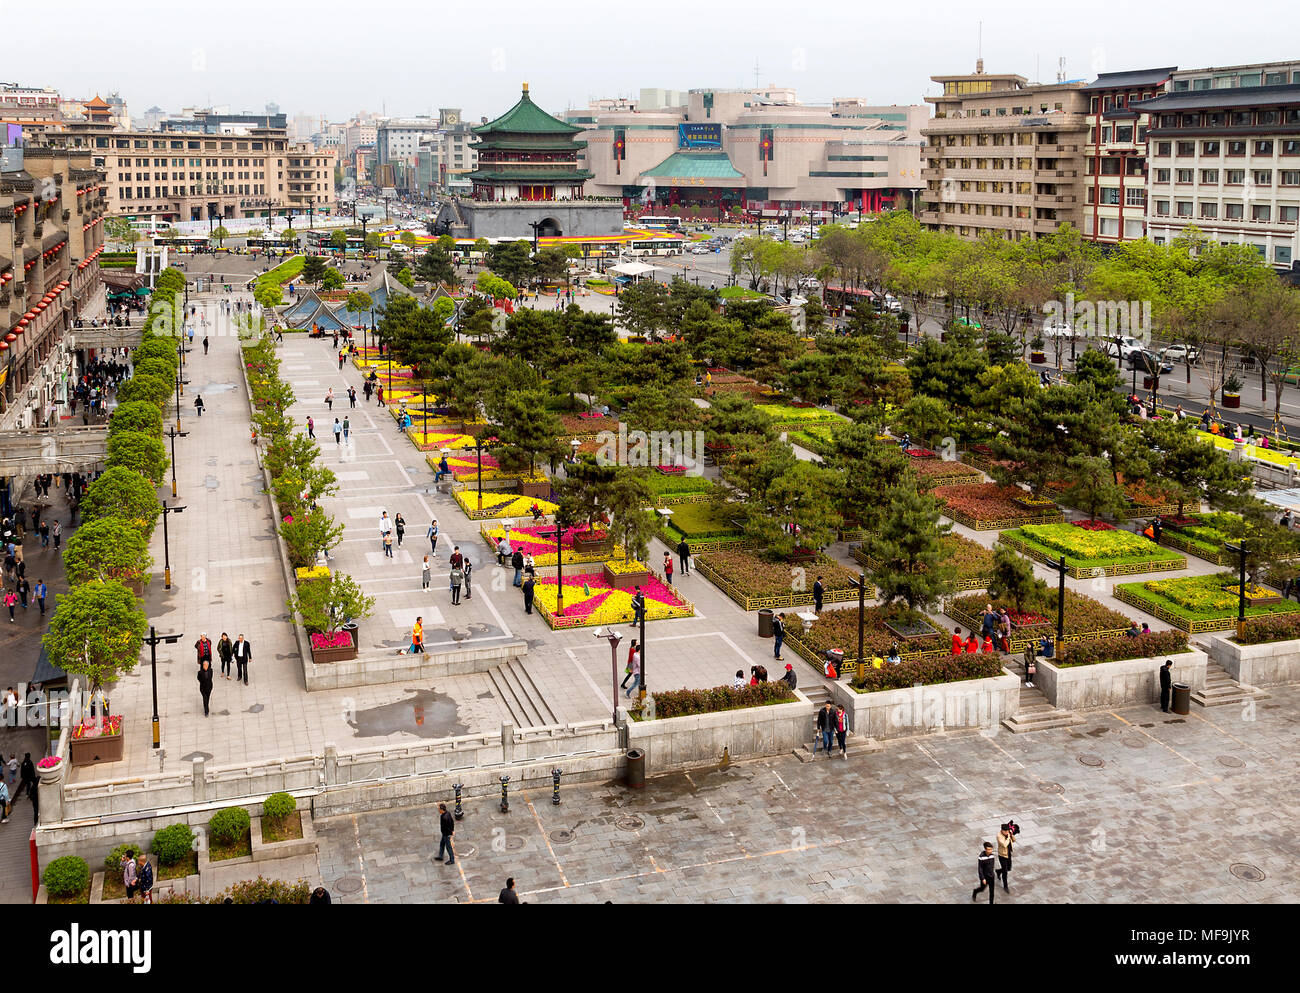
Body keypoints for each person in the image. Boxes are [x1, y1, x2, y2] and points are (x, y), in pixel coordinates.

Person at [996, 823, 1015, 891]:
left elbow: (1014, 840)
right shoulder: (999, 836)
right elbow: (1004, 844)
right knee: (1005, 872)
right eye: (1006, 831)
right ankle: (1005, 886)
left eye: (1008, 831)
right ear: (1002, 830)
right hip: (1002, 855)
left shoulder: (1008, 833)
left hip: (1008, 853)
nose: (1007, 832)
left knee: (1009, 868)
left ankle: (998, 871)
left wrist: (1011, 835)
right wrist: (1008, 837)